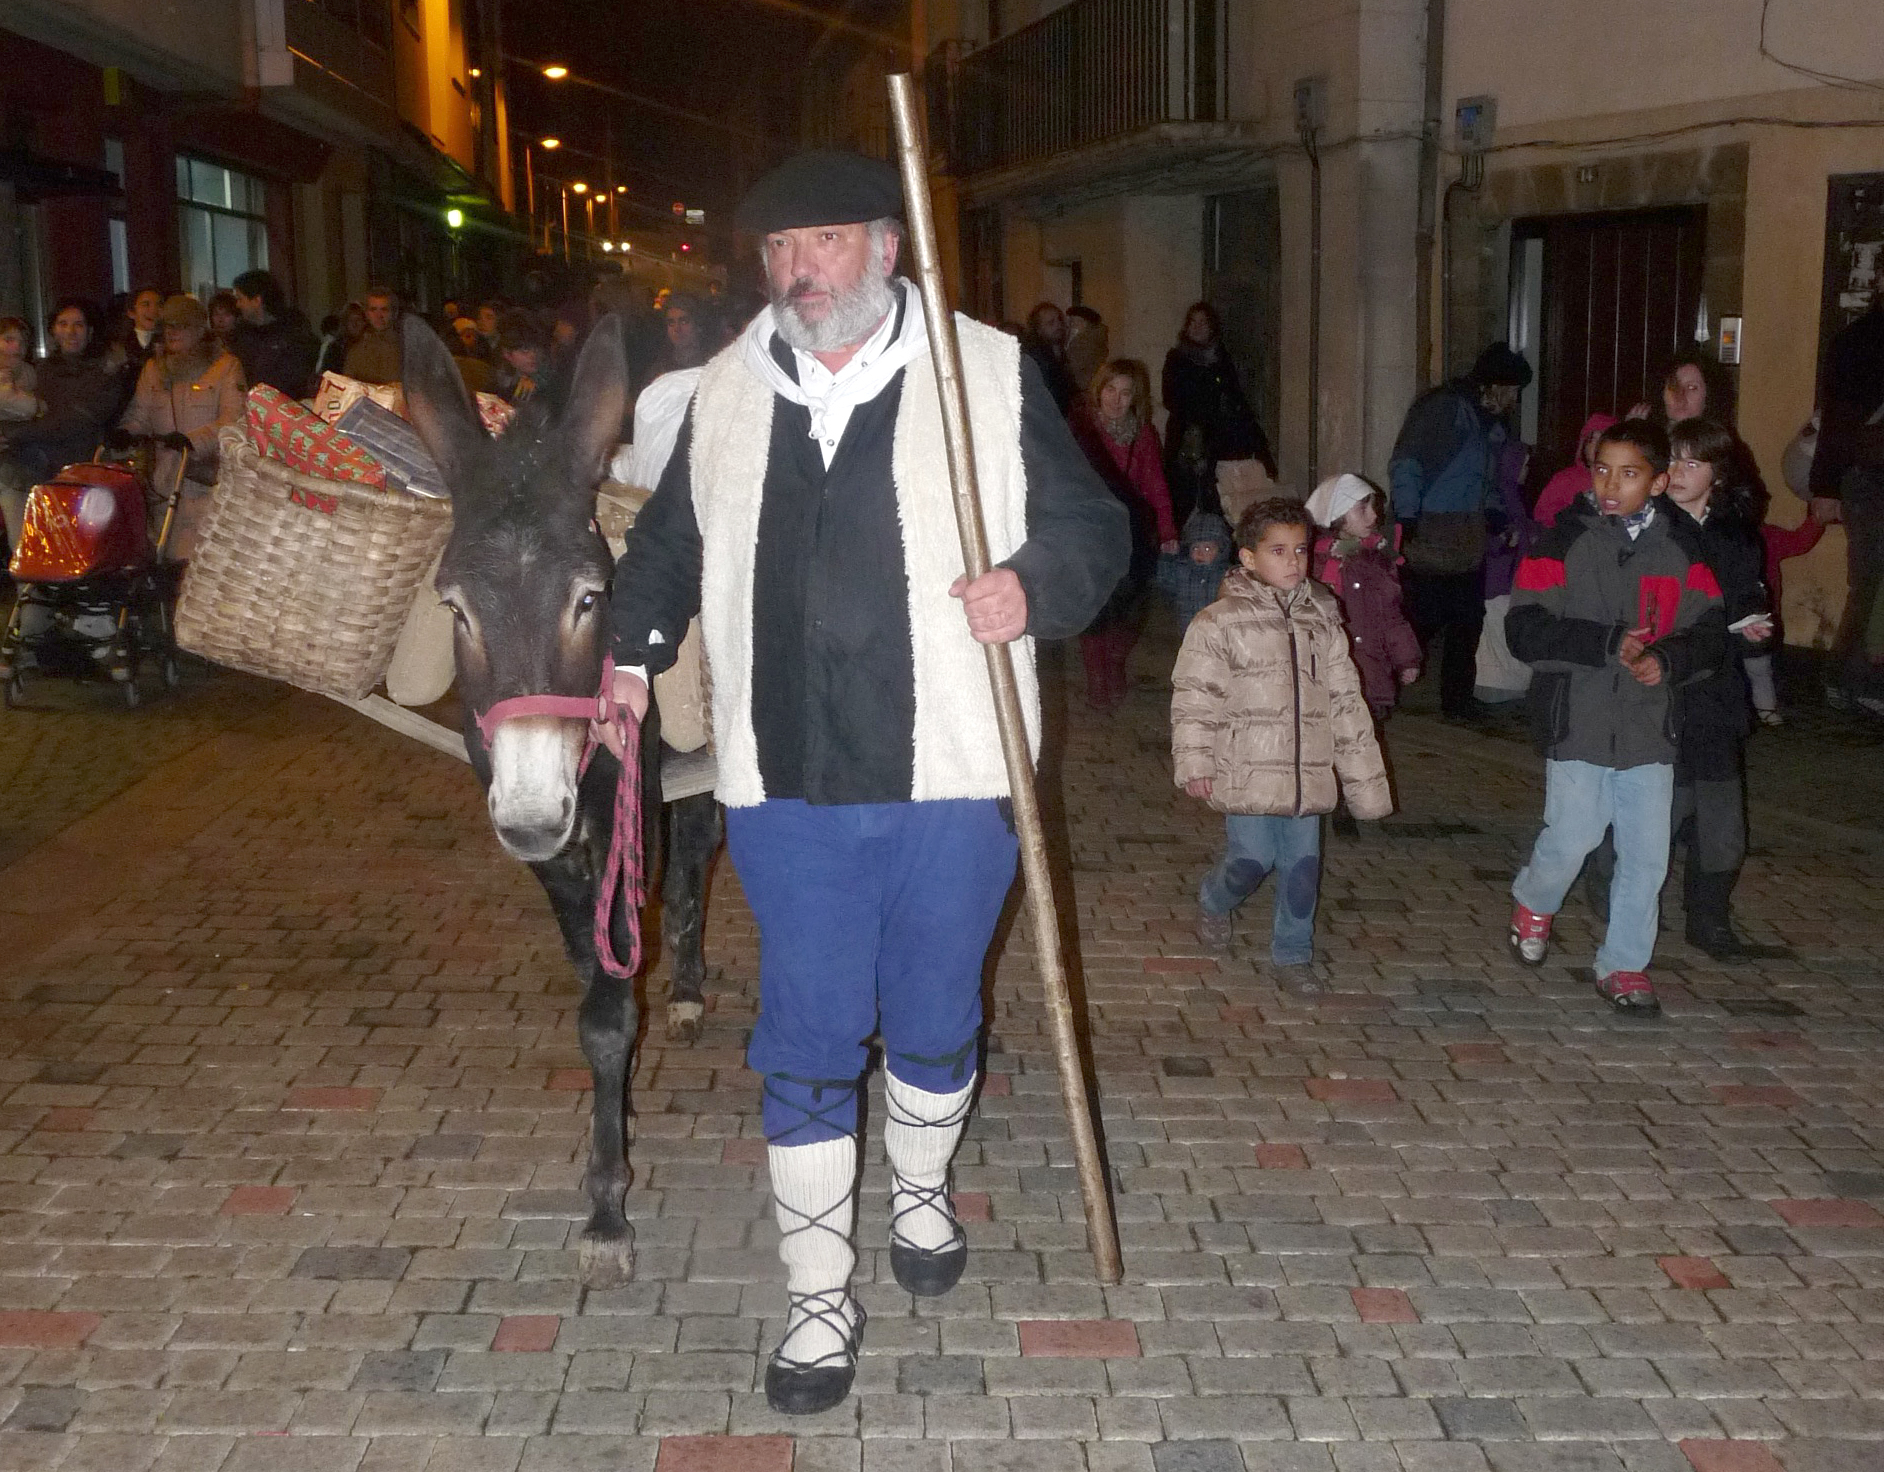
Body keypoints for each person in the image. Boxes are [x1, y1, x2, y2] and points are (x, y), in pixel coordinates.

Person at [600, 149, 1127, 1417]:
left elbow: (1096, 531)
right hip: (784, 784)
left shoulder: (985, 374)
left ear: (886, 249)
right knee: (809, 1031)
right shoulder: (723, 392)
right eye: (781, 251)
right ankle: (820, 1294)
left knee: (939, 1018)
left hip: (955, 769)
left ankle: (926, 1186)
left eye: (826, 242)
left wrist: (1033, 584)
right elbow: (668, 545)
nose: (800, 270)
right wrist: (629, 657)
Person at [1505, 418, 1726, 1014]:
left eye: (1629, 474)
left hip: (1651, 730)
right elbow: (1524, 628)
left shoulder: (1683, 547)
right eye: (1602, 469)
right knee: (1573, 836)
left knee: (1647, 858)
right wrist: (1605, 644)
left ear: (1659, 482)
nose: (1610, 485)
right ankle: (1533, 898)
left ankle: (1625, 964)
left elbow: (1710, 632)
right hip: (1576, 721)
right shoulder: (1562, 539)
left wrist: (1669, 659)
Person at [1172, 496, 1392, 987]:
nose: (1293, 562)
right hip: (1245, 769)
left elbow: (1345, 702)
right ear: (1248, 558)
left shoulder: (1323, 618)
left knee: (1302, 869)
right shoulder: (1218, 623)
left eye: (1300, 550)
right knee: (1250, 862)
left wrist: (1365, 784)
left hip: (1306, 773)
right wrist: (1196, 762)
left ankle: (1293, 954)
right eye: (1278, 551)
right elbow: (1194, 698)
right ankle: (1214, 899)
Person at [1388, 341, 1532, 722]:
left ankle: (1458, 701)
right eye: (1513, 392)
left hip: (1468, 534)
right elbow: (1407, 462)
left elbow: (1486, 479)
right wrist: (1408, 516)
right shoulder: (1444, 409)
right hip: (1432, 528)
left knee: (1468, 620)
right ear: (1496, 385)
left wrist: (1497, 515)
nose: (1515, 401)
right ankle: (1380, 690)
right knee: (1420, 618)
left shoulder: (1491, 424)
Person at [1072, 357, 1176, 711]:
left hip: (1132, 530)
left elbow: (1155, 483)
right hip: (1091, 529)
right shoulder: (1082, 431)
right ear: (1099, 391)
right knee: (1096, 607)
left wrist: (1166, 530)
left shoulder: (1143, 434)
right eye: (1111, 390)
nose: (1116, 400)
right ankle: (1098, 679)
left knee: (1132, 607)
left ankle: (1114, 663)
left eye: (1126, 393)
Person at [118, 294, 246, 558]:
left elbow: (234, 420)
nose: (172, 333)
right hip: (165, 484)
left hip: (207, 483)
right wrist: (124, 433)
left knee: (201, 562)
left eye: (181, 325)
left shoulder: (225, 367)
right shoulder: (154, 369)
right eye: (167, 326)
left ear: (199, 329)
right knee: (166, 559)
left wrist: (194, 440)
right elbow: (140, 413)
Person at [1809, 295, 1884, 714]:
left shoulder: (1857, 339)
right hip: (1869, 475)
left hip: (1866, 472)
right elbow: (1837, 418)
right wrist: (1826, 485)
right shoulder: (1861, 341)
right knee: (1872, 578)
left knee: (1871, 580)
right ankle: (1857, 679)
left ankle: (1850, 677)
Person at [0, 299, 120, 548]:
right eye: (63, 324)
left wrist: (13, 434)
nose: (70, 331)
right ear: (53, 331)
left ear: (90, 331)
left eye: (78, 325)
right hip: (26, 463)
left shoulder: (103, 374)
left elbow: (72, 422)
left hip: (76, 469)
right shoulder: (38, 372)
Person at [1304, 473, 1420, 721]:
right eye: (1362, 508)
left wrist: (1406, 658)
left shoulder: (1376, 562)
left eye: (1373, 506)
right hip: (1327, 676)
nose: (1374, 515)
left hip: (1370, 672)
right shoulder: (1314, 563)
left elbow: (1391, 615)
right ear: (1338, 513)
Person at [1161, 301, 1275, 529]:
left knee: (1216, 500)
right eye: (1193, 322)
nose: (1197, 327)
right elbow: (1171, 398)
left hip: (1218, 442)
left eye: (1203, 322)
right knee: (1182, 501)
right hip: (1186, 440)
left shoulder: (1221, 357)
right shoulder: (1177, 358)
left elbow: (1234, 397)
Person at [230, 269, 319, 399]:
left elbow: (297, 378)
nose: (237, 305)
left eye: (240, 299)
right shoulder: (241, 335)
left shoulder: (293, 334)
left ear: (257, 300)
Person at [1533, 413, 1617, 528]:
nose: (1595, 445)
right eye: (1592, 439)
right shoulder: (1565, 479)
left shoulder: (1619, 480)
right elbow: (1542, 516)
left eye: (1602, 440)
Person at [1160, 508, 1234, 633]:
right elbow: (1165, 583)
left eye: (1207, 548)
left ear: (1220, 550)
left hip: (1219, 632)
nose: (1200, 553)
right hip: (1189, 630)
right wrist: (1167, 558)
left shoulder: (1227, 575)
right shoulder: (1182, 570)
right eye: (1195, 548)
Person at [1021, 301, 1077, 415]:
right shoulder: (1035, 358)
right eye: (1051, 323)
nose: (1058, 326)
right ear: (1038, 329)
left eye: (1059, 320)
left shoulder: (1059, 352)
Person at [342, 286, 403, 384]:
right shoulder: (357, 351)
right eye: (373, 310)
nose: (378, 316)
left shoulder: (406, 348)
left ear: (394, 313)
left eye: (384, 310)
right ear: (366, 313)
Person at [1064, 304, 1108, 397]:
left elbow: (1073, 366)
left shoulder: (1083, 341)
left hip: (1081, 388)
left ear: (1084, 323)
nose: (1071, 325)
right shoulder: (1096, 338)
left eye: (1074, 321)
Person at [0, 316, 38, 422]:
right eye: (9, 340)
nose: (17, 346)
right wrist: (37, 405)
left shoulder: (29, 371)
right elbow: (6, 400)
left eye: (23, 342)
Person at [315, 303, 366, 382]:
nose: (355, 324)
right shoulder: (335, 349)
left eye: (358, 320)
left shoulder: (371, 346)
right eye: (351, 321)